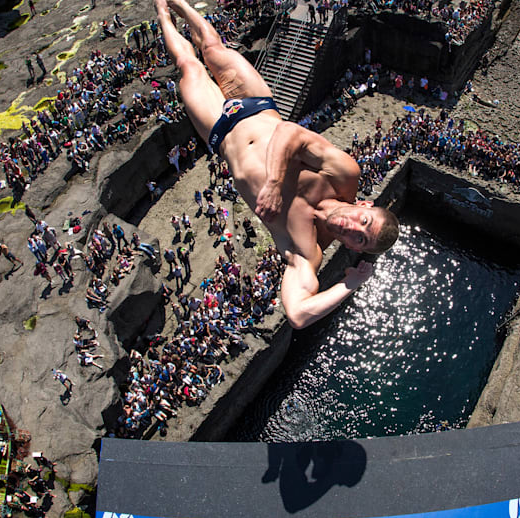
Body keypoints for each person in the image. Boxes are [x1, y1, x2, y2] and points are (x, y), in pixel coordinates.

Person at [157, 0, 399, 329]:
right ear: (365, 205)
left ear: (353, 247)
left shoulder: (306, 249)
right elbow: (289, 132)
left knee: (189, 65)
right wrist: (273, 183)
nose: (353, 228)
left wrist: (350, 284)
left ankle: (162, 11)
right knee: (212, 47)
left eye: (361, 240)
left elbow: (298, 314)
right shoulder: (344, 176)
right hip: (256, 105)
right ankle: (180, 4)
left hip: (220, 130)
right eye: (364, 222)